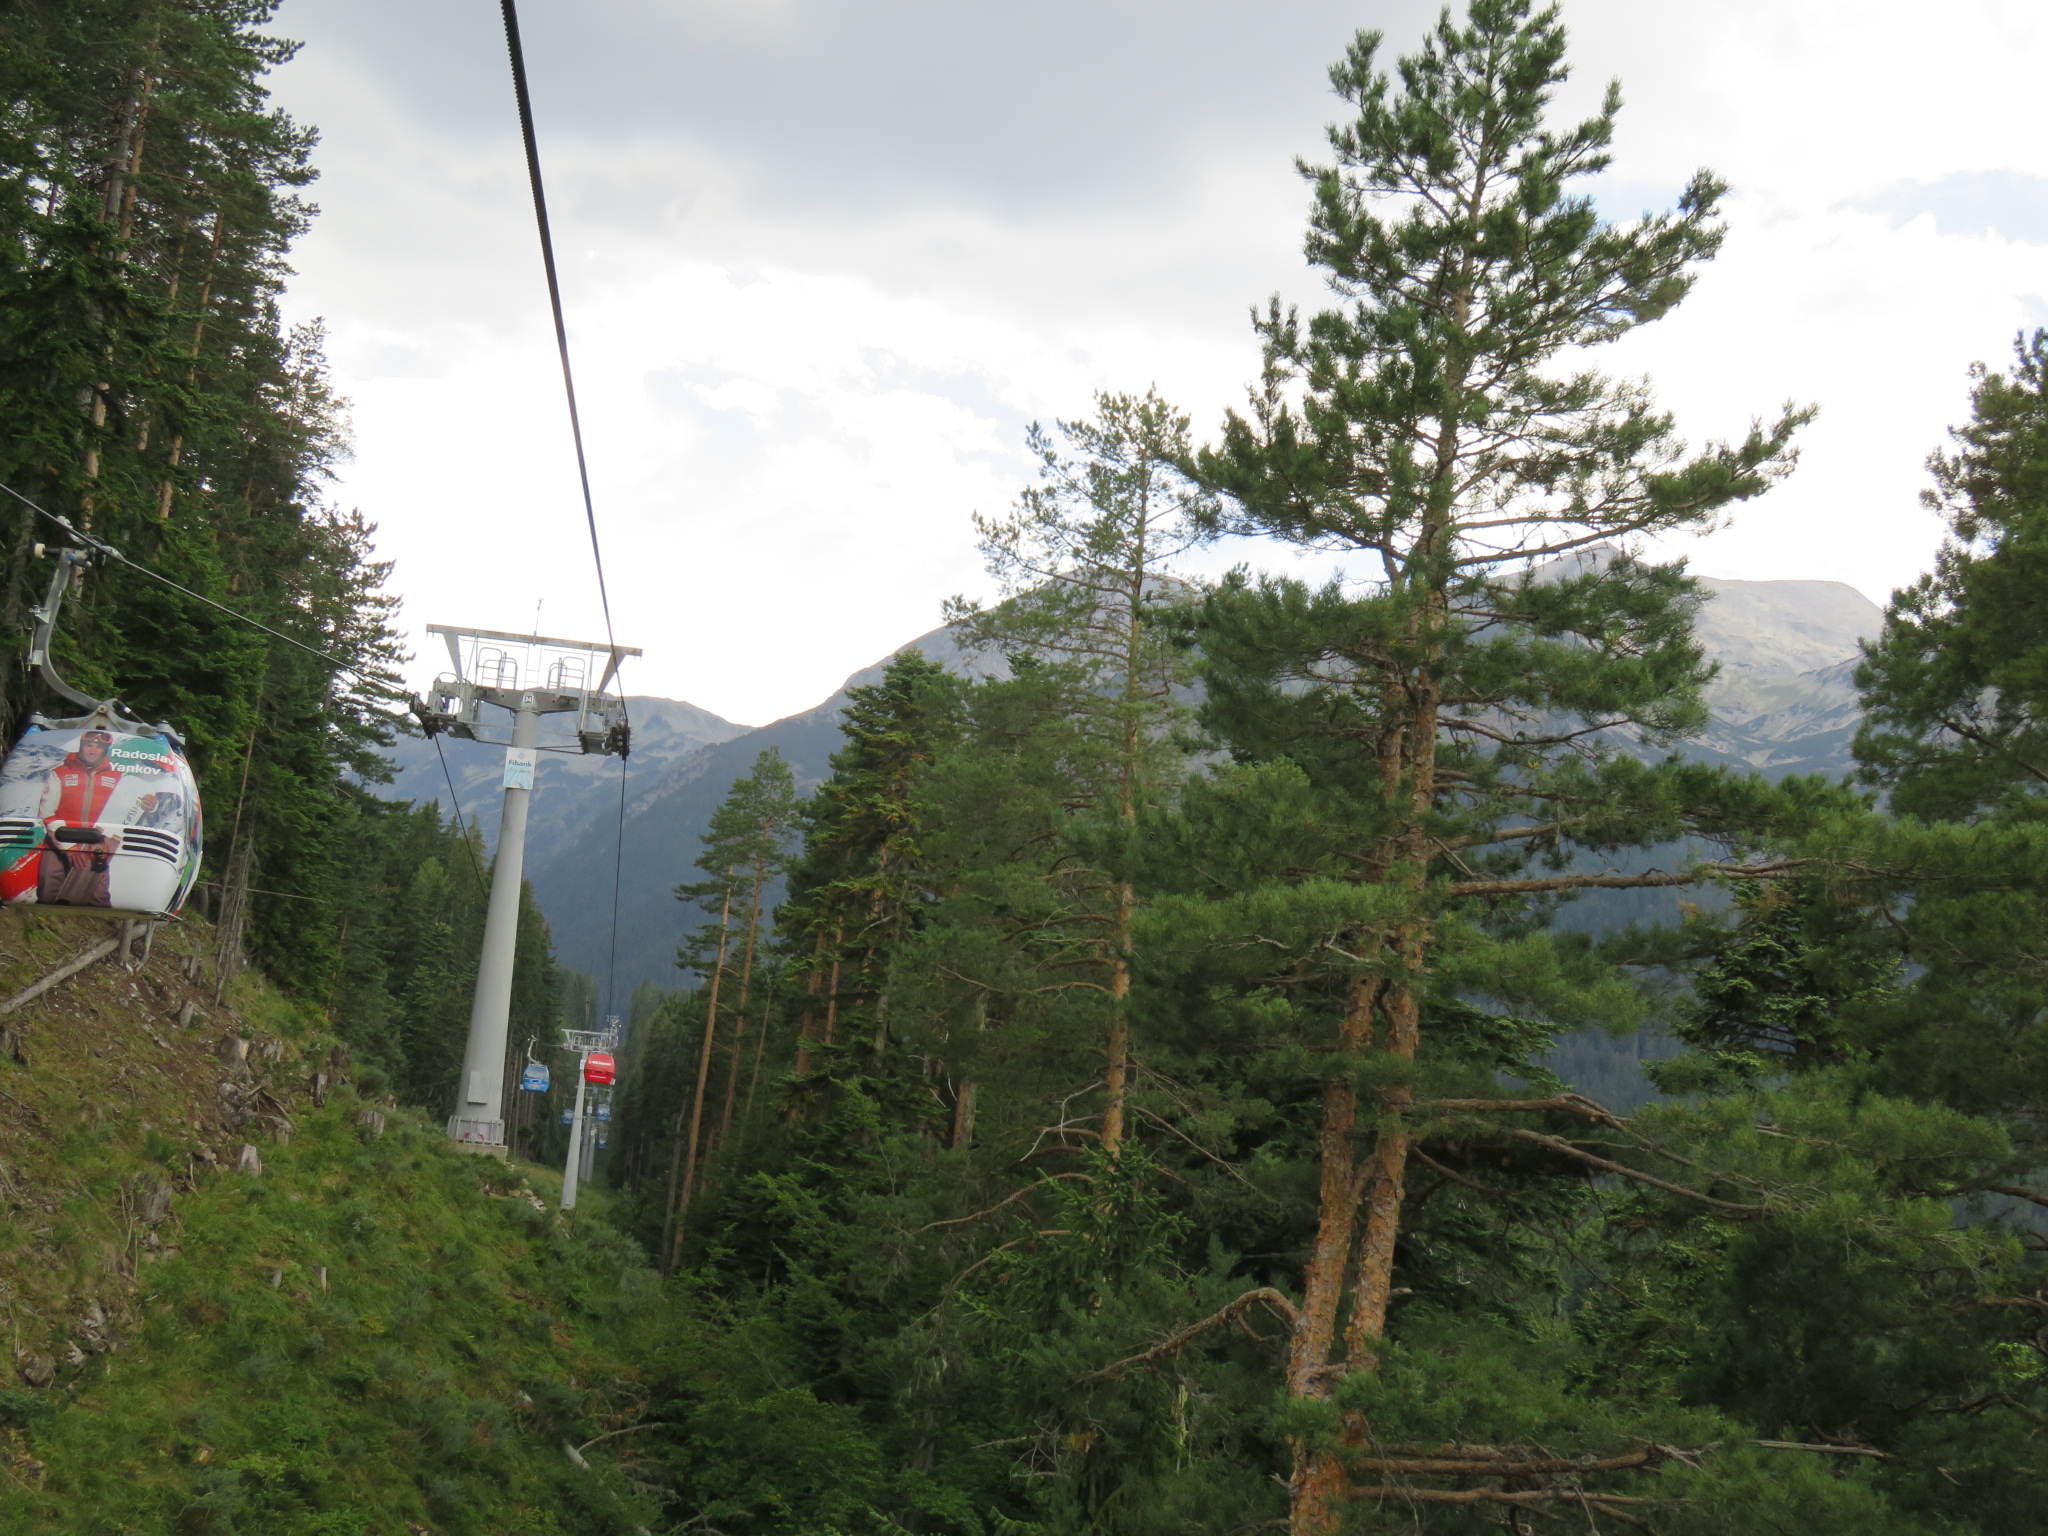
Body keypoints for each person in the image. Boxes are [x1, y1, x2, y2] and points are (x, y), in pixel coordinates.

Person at [35, 729, 130, 907]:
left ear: (105, 750)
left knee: (98, 899)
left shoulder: (118, 777)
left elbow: (128, 812)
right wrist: (69, 847)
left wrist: (150, 805)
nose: (92, 750)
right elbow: (46, 813)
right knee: (47, 895)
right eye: (89, 745)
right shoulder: (59, 773)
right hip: (57, 845)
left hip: (96, 847)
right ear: (81, 747)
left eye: (98, 747)